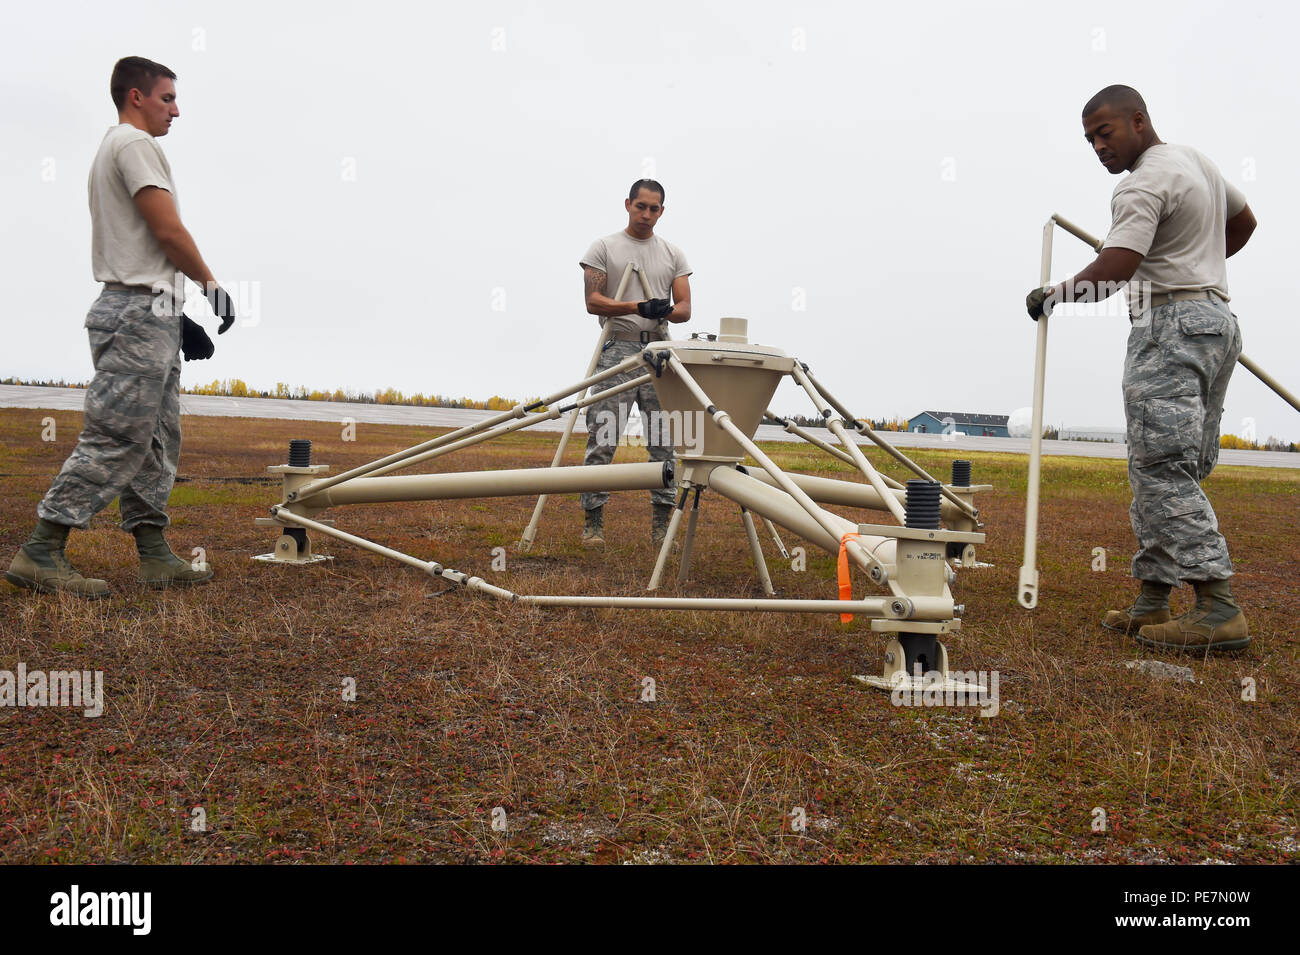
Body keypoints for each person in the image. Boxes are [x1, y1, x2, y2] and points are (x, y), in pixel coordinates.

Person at [1026, 85, 1256, 651]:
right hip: (1216, 323)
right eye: (1089, 140)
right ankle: (1154, 597)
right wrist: (1192, 260)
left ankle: (1218, 607)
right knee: (1168, 464)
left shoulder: (1141, 183)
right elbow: (1245, 222)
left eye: (1105, 133)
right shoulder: (1196, 162)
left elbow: (1115, 270)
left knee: (1161, 468)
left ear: (1138, 120)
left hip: (1171, 326)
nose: (1098, 147)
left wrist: (1054, 295)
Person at [4, 56, 237, 598]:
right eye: (167, 98)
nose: (176, 111)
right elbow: (166, 230)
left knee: (157, 440)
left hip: (148, 311)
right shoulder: (133, 144)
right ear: (136, 96)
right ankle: (41, 549)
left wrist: (176, 314)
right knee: (116, 437)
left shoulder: (120, 148)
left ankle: (155, 554)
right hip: (136, 314)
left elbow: (138, 247)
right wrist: (209, 285)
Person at [578, 179, 693, 546]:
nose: (646, 214)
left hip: (659, 351)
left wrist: (664, 310)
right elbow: (593, 301)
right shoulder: (604, 247)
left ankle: (661, 525)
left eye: (653, 208)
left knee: (663, 438)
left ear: (662, 211)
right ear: (628, 204)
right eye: (640, 206)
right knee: (604, 433)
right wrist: (636, 306)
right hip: (618, 347)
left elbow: (685, 308)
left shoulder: (673, 254)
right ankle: (593, 521)